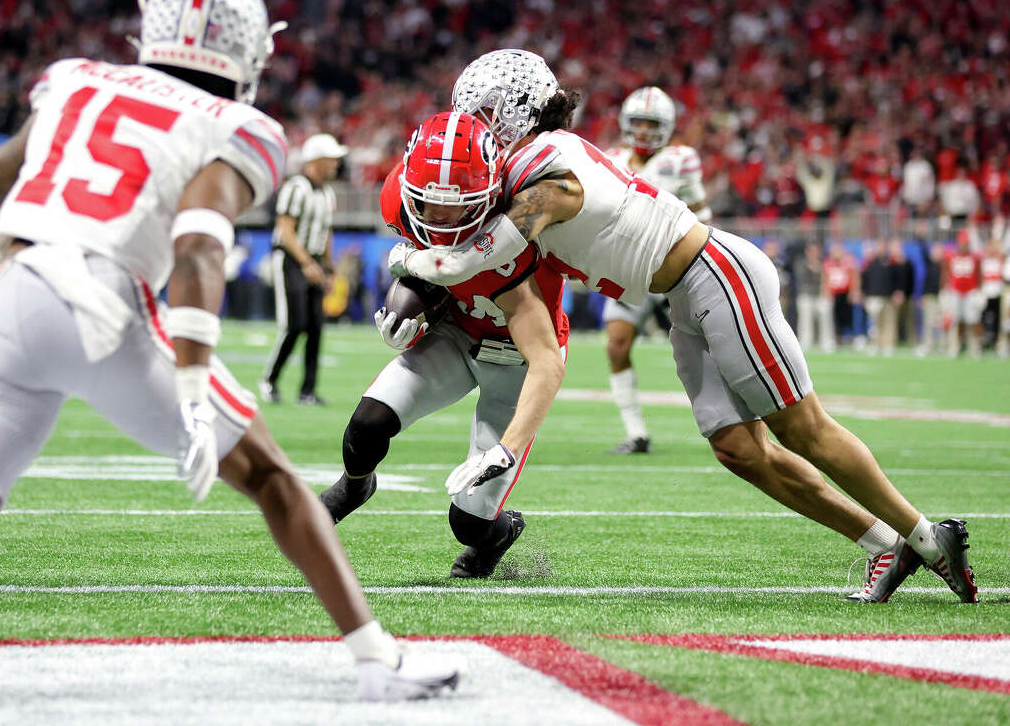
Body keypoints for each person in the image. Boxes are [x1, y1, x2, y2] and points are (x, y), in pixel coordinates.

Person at [0, 0, 463, 714]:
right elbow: (200, 243)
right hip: (107, 305)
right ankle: (375, 658)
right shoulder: (240, 125)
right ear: (250, 51)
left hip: (15, 292)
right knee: (269, 477)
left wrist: (3, 259)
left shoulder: (75, 80)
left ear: (151, 24)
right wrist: (194, 390)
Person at [390, 48, 978, 605]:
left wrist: (405, 261)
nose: (476, 126)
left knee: (803, 428)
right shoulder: (527, 160)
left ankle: (928, 536)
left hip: (715, 274)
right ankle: (885, 545)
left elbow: (471, 258)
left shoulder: (544, 166)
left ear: (517, 109)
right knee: (739, 450)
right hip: (683, 297)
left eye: (486, 113)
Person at [319, 111, 568, 578]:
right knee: (367, 425)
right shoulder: (399, 202)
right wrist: (417, 313)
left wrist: (507, 448)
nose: (440, 218)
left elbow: (546, 361)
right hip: (457, 333)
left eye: (457, 205)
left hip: (516, 361)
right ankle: (355, 487)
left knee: (469, 521)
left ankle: (499, 534)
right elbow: (434, 278)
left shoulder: (512, 240)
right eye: (427, 204)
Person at [598, 86, 711, 454]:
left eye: (651, 123)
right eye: (638, 123)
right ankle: (637, 433)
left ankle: (730, 423)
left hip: (676, 269)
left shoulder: (681, 158)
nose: (644, 131)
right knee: (616, 345)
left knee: (705, 351)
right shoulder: (611, 158)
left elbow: (701, 212)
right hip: (630, 270)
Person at [259, 133, 346, 406]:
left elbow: (326, 233)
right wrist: (306, 263)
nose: (335, 164)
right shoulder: (296, 187)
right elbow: (285, 230)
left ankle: (307, 391)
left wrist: (329, 269)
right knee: (294, 325)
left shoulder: (327, 193)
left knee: (316, 328)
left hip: (314, 262)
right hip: (291, 260)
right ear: (316, 160)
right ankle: (269, 381)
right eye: (331, 158)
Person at [942, 231, 982, 358]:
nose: (963, 245)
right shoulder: (951, 256)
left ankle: (976, 346)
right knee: (956, 320)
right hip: (955, 291)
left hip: (970, 292)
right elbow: (946, 272)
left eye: (965, 243)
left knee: (974, 320)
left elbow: (979, 274)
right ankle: (957, 345)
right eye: (961, 243)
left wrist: (979, 290)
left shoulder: (974, 257)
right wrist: (944, 288)